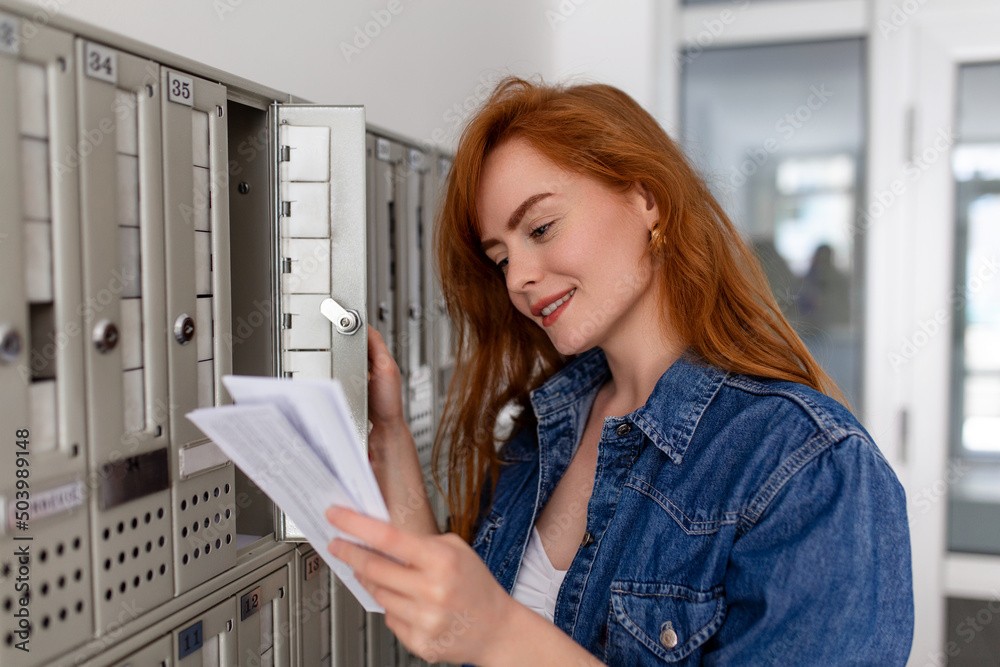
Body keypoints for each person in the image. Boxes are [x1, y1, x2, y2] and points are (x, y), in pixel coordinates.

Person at [325, 76, 914, 666]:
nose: (518, 278)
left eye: (541, 229)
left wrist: (501, 631)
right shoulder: (541, 431)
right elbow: (452, 621)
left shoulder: (808, 467)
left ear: (646, 198)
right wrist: (390, 433)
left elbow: (488, 630)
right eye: (501, 258)